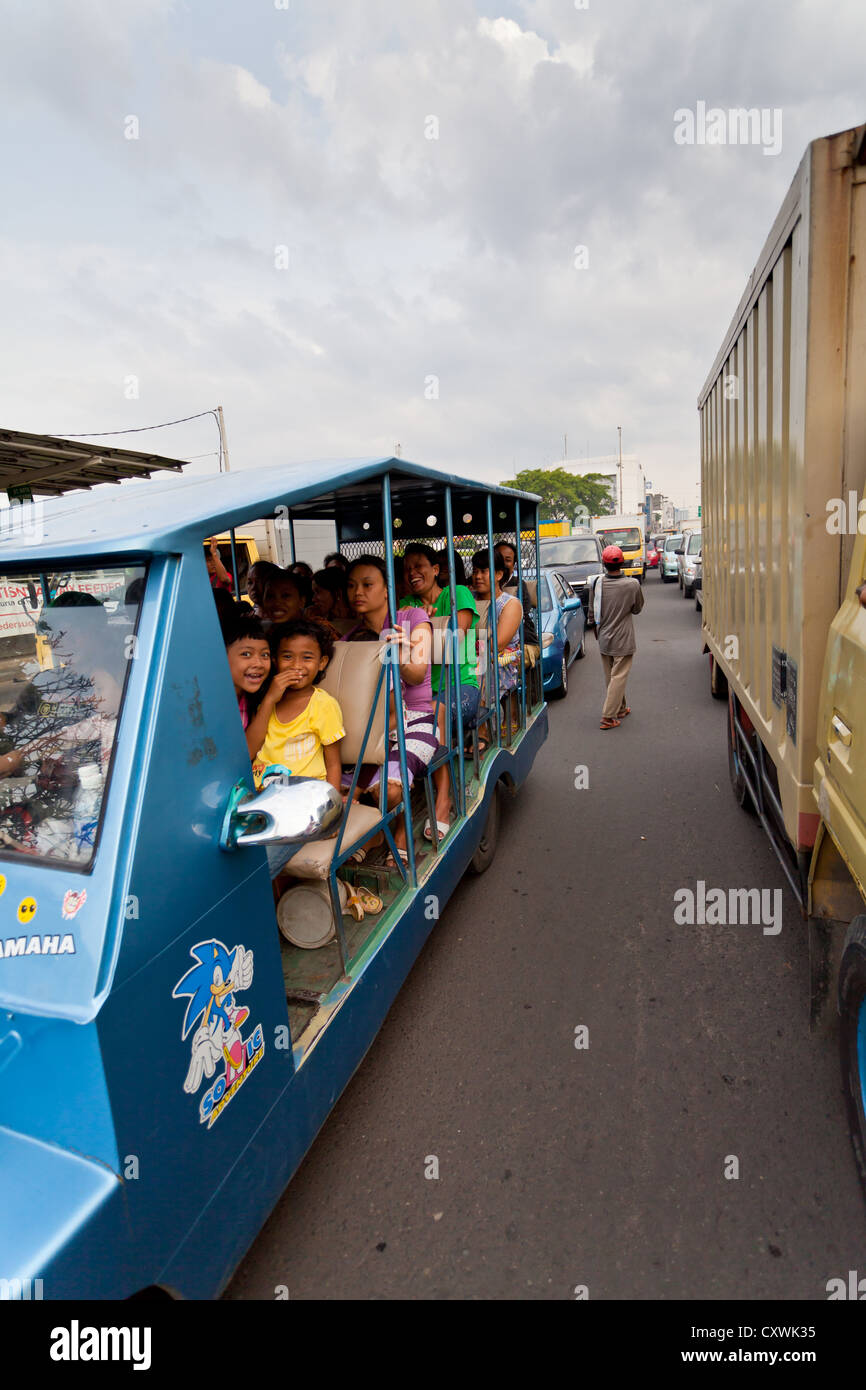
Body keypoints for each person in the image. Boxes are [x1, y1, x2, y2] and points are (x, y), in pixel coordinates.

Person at [344, 555, 438, 861]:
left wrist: (400, 653)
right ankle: (377, 832)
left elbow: (416, 673)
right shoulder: (349, 640)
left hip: (415, 719)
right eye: (351, 586)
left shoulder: (412, 619)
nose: (357, 591)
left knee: (390, 791)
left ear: (386, 589)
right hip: (371, 727)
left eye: (367, 584)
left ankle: (399, 830)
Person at [400, 543, 480, 840]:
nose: (412, 573)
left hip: (461, 686)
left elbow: (453, 644)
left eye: (419, 565)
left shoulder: (457, 593)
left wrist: (422, 624)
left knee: (435, 712)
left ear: (436, 570)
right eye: (407, 568)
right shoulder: (406, 603)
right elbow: (396, 646)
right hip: (418, 691)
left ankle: (444, 798)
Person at [589, 544, 645, 730]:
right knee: (619, 676)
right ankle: (608, 716)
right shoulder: (632, 584)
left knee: (611, 675)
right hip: (624, 638)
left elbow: (592, 612)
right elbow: (637, 609)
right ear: (622, 563)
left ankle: (620, 708)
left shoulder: (596, 584)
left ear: (604, 564)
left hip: (604, 637)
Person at [471, 549, 523, 726]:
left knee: (477, 672)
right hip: (472, 658)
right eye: (475, 571)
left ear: (499, 574)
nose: (478, 576)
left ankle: (484, 726)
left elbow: (497, 644)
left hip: (497, 663)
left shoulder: (510, 604)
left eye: (484, 571)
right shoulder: (468, 600)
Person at [222, 613, 272, 756]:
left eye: (265, 655)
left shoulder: (251, 700)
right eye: (246, 654)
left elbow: (248, 753)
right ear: (223, 656)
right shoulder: (208, 702)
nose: (258, 663)